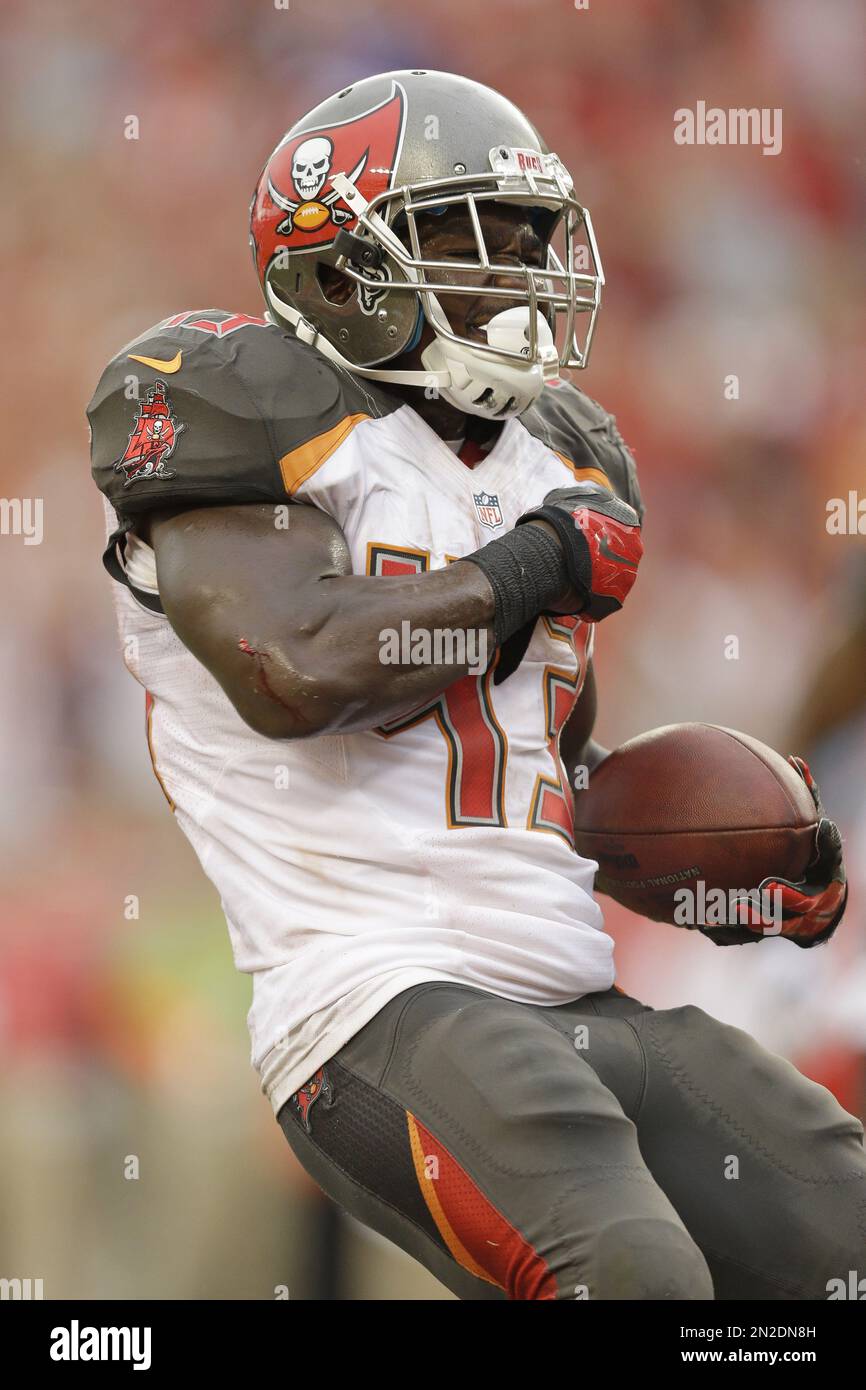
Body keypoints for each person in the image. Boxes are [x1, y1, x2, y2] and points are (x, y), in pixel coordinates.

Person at [88, 70, 861, 1300]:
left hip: (580, 995)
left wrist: (733, 866)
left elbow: (536, 776)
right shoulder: (252, 409)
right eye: (465, 241)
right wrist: (533, 562)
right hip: (379, 1003)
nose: (515, 275)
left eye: (527, 239)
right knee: (637, 1280)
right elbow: (297, 667)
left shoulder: (561, 450)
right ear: (337, 269)